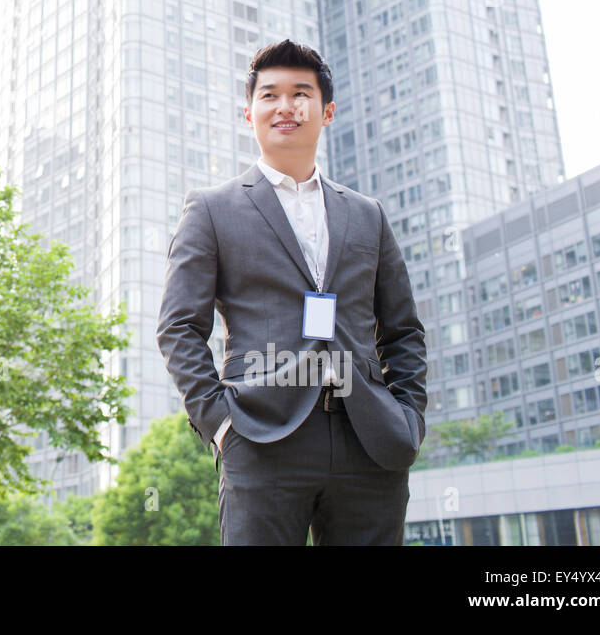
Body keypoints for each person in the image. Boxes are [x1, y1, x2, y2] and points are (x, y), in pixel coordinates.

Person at [156, 38, 426, 545]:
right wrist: (220, 423)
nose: (285, 106)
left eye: (301, 93)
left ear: (326, 111)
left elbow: (403, 329)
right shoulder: (211, 209)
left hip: (369, 438)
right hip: (261, 436)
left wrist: (408, 417)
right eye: (270, 94)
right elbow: (179, 328)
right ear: (249, 112)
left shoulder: (368, 213)